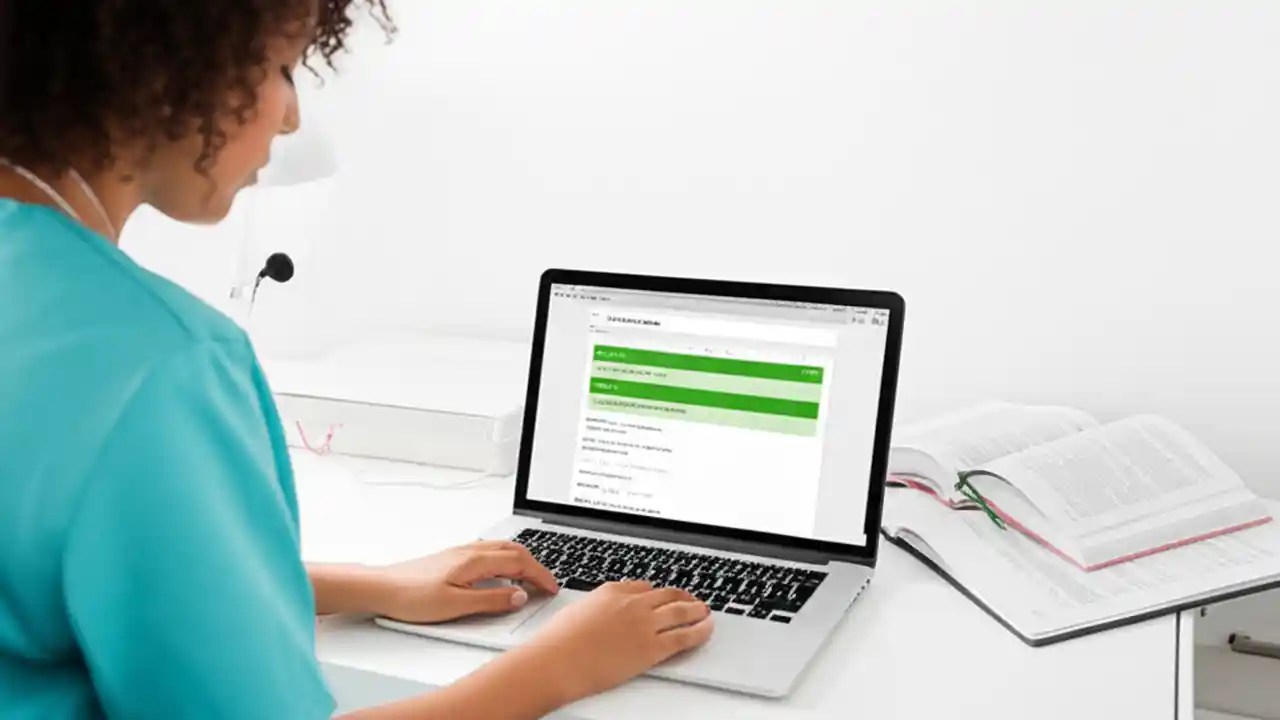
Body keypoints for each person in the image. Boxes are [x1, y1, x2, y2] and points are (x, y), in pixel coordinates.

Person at [0, 2, 713, 718]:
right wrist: (565, 663)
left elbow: (79, 573)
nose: (290, 118)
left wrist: (375, 584)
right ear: (168, 63)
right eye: (281, 68)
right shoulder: (161, 368)